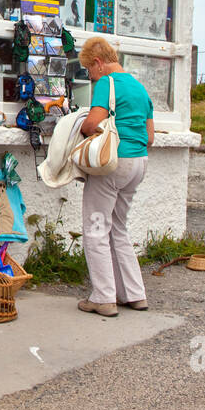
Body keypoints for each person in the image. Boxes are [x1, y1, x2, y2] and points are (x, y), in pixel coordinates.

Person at [76, 36, 154, 316]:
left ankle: (103, 297)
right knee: (118, 228)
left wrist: (81, 127)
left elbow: (93, 123)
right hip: (138, 163)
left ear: (98, 62)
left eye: (89, 69)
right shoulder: (139, 87)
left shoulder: (106, 84)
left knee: (96, 229)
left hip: (113, 163)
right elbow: (151, 135)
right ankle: (135, 294)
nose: (90, 75)